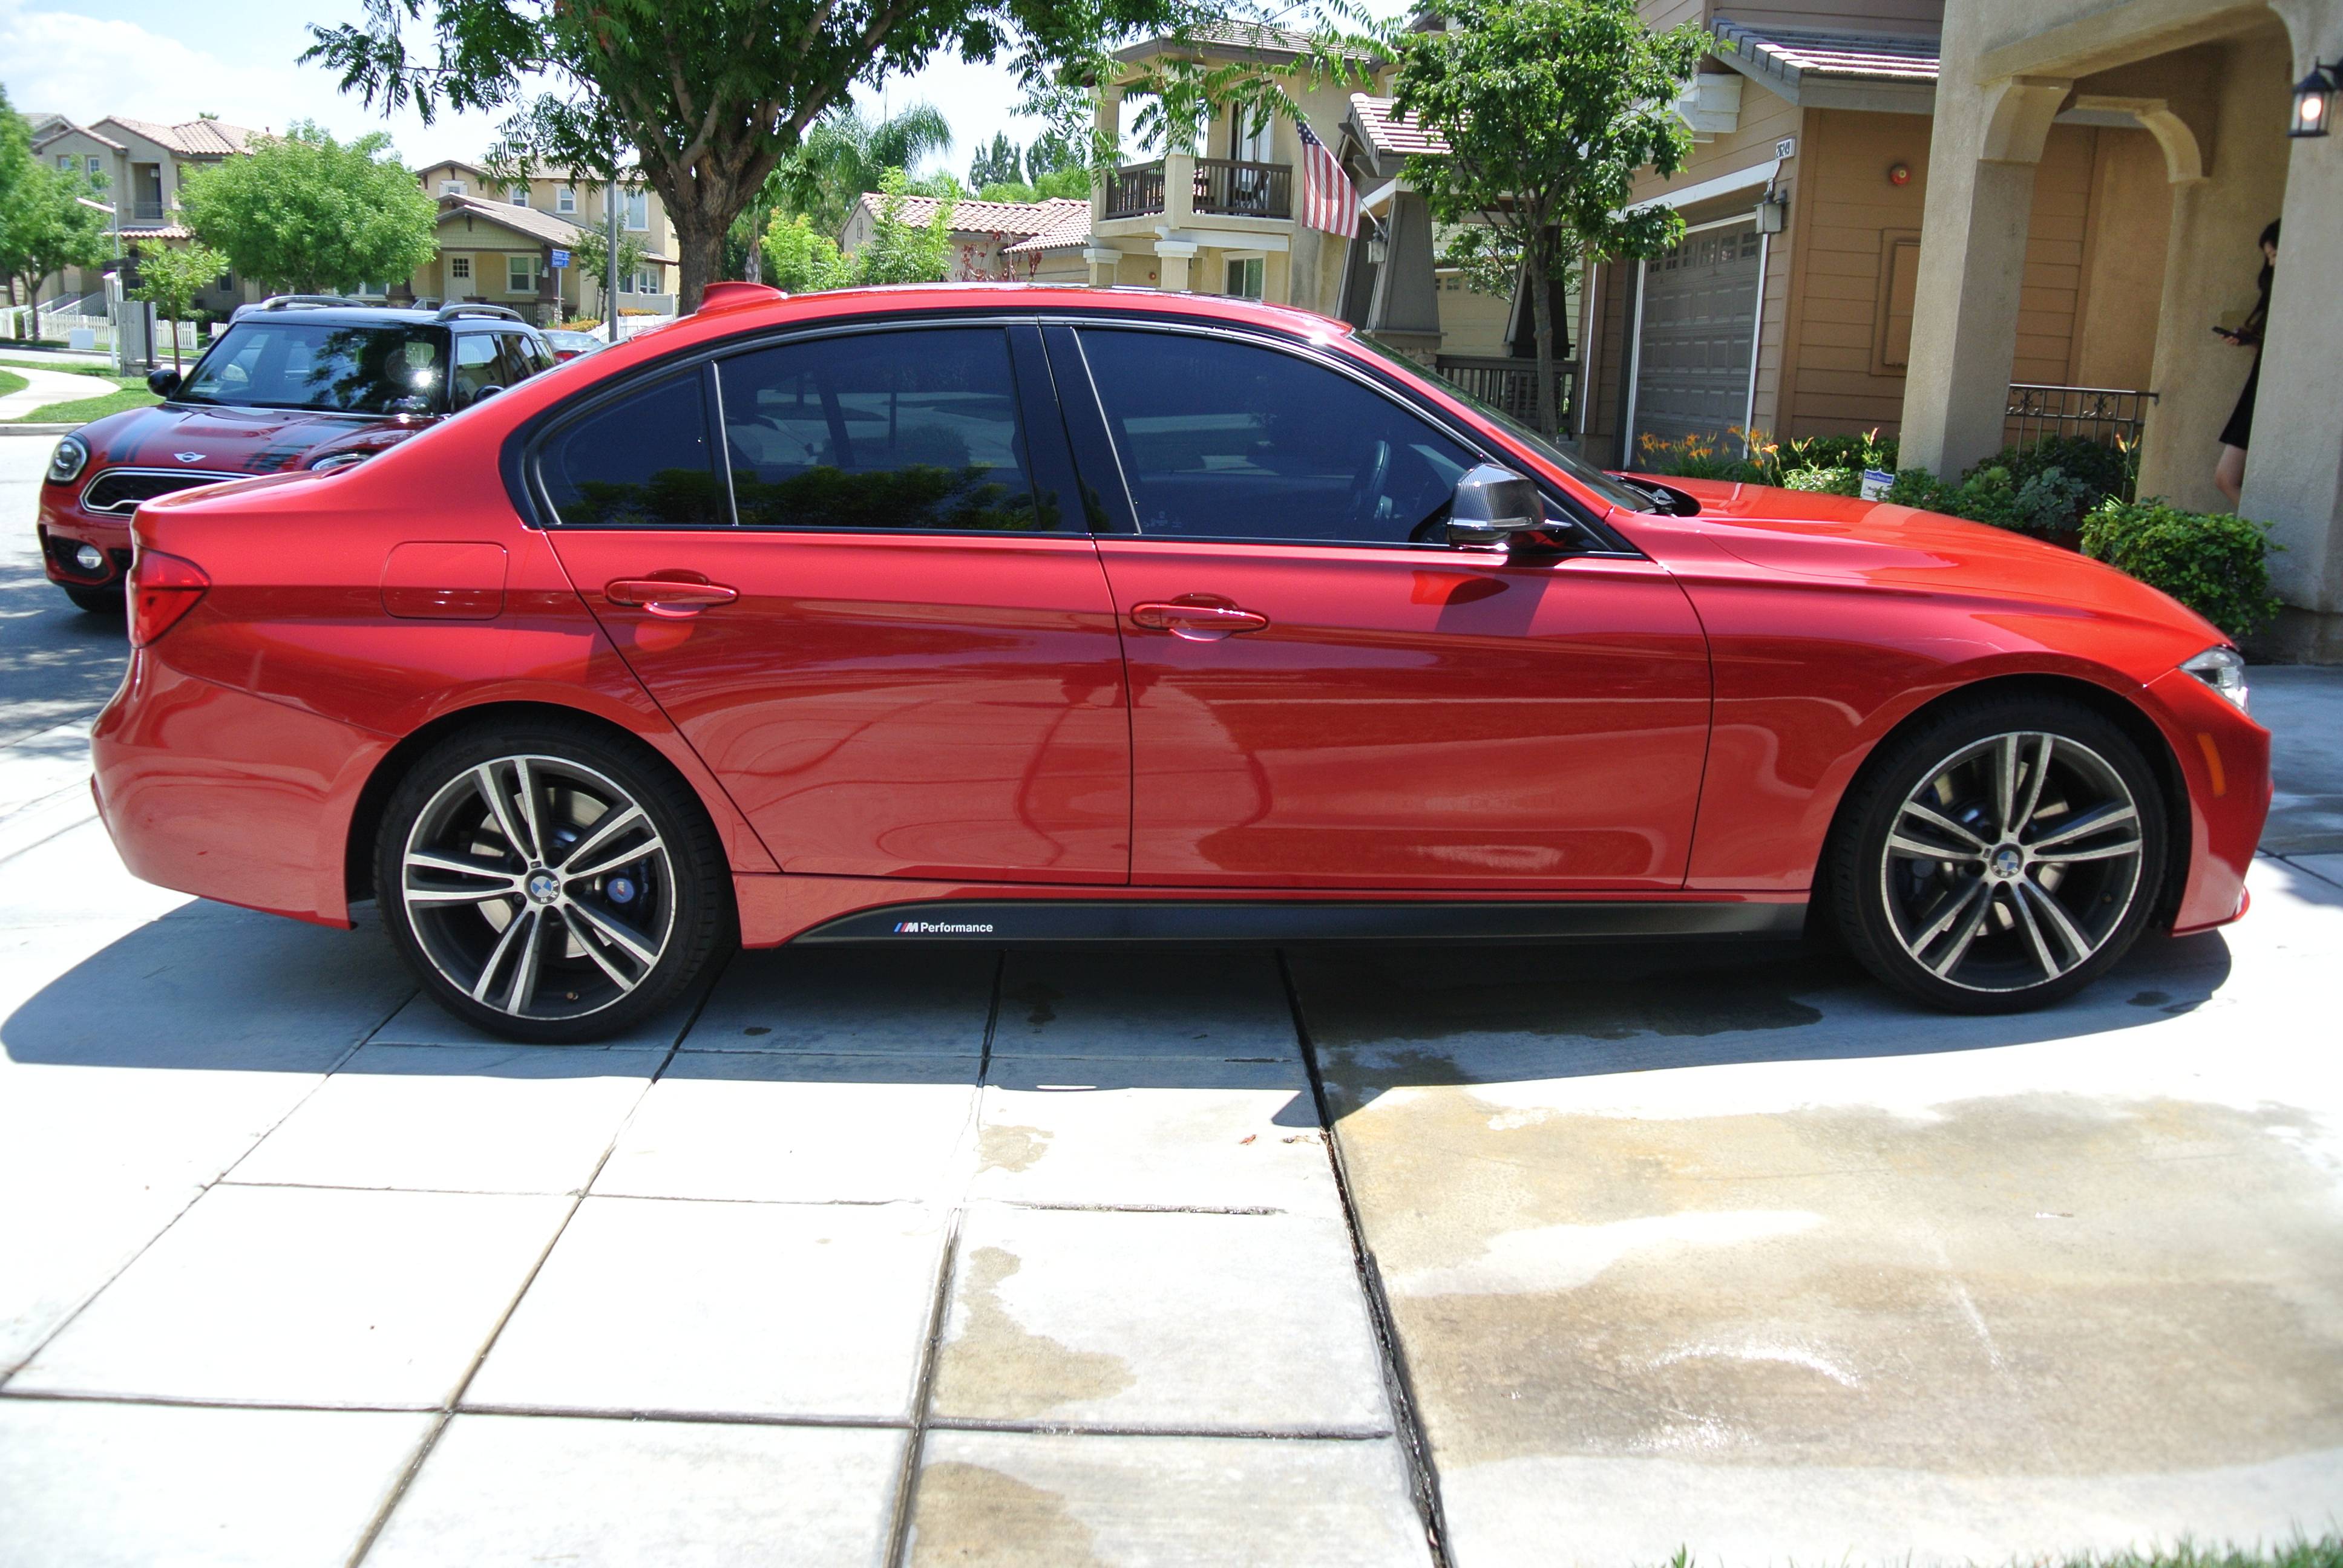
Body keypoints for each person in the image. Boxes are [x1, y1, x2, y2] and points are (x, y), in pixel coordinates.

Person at [2212, 219, 2278, 506]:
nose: (2271, 264)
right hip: (2258, 390)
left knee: (2226, 478)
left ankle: (2271, 530)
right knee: (2226, 478)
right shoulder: (2278, 296)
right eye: (2269, 257)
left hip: (2266, 394)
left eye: (2274, 255)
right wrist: (2250, 341)